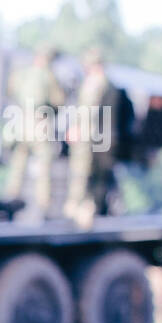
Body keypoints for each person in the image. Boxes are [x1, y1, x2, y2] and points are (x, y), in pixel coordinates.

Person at [3, 44, 65, 219]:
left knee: (19, 161)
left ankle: (11, 196)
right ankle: (43, 202)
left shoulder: (22, 73)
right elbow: (58, 100)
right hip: (39, 121)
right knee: (44, 162)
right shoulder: (47, 75)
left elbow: (11, 91)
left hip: (22, 120)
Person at [64, 47, 117, 228]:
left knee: (81, 174)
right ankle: (92, 210)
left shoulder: (93, 83)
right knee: (99, 178)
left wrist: (77, 129)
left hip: (89, 137)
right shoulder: (110, 85)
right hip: (105, 138)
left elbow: (89, 110)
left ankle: (75, 211)